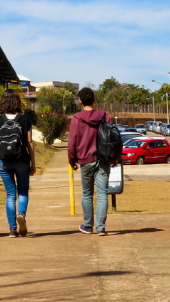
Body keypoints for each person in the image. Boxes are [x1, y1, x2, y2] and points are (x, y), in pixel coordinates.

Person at [67, 87, 114, 236]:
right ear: (94, 100)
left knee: (87, 193)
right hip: (103, 159)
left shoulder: (76, 118)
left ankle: (88, 225)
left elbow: (71, 142)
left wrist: (72, 160)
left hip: (85, 160)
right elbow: (113, 138)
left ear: (80, 101)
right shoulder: (105, 116)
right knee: (102, 194)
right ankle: (101, 228)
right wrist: (114, 158)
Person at [0, 89, 36, 238]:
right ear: (17, 101)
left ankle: (12, 230)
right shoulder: (24, 117)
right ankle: (21, 214)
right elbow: (29, 142)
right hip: (22, 159)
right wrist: (33, 163)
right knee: (22, 191)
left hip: (4, 161)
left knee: (10, 194)